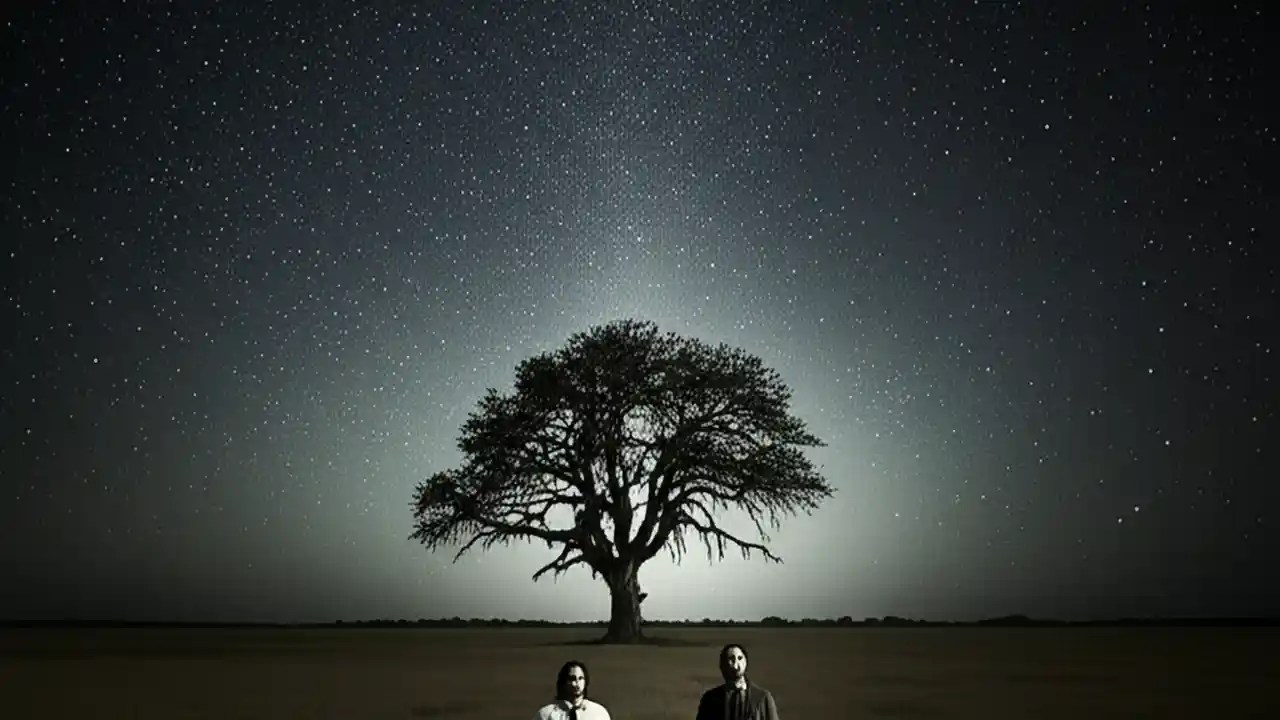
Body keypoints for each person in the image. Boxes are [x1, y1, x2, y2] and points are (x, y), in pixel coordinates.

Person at [694, 643, 781, 720]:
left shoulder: (762, 698)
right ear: (723, 665)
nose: (736, 664)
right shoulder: (710, 699)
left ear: (746, 662)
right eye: (731, 659)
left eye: (740, 658)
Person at [534, 660, 611, 720]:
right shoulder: (546, 714)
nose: (577, 683)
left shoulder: (598, 713)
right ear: (563, 682)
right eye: (572, 679)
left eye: (580, 678)